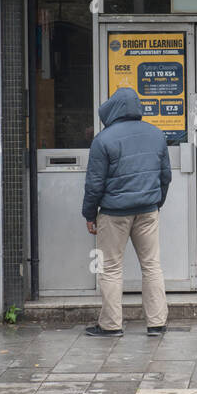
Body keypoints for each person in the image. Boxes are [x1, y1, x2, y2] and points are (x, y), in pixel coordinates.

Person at [82, 86, 171, 337]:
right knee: (152, 265)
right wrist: (156, 203)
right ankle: (157, 323)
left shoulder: (103, 140)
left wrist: (90, 214)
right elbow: (166, 176)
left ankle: (111, 325)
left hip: (113, 214)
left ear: (113, 109)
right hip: (147, 211)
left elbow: (94, 184)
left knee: (110, 268)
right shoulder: (156, 134)